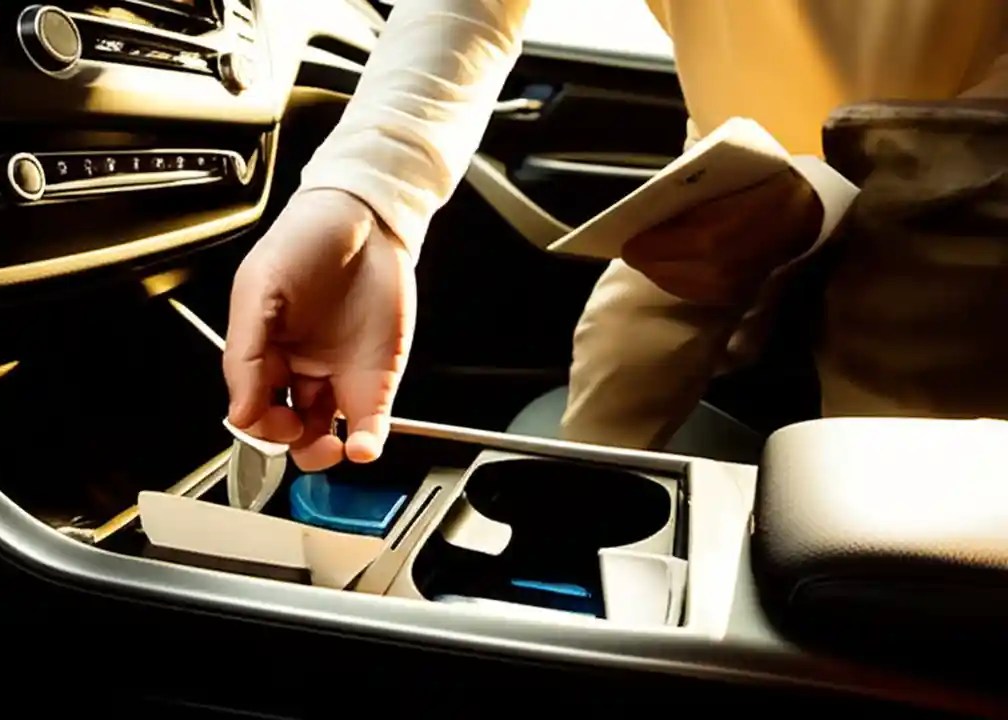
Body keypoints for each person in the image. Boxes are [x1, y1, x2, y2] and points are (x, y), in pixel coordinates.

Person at [223, 0, 1008, 471]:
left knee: (892, 557)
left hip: (964, 222)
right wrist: (370, 193)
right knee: (584, 440)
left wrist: (832, 191)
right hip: (736, 172)